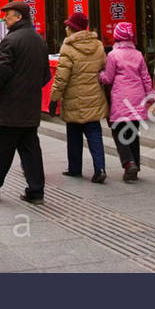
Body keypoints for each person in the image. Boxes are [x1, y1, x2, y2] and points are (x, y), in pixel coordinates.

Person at [0, 1, 50, 204]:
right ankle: (36, 190)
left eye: (8, 15)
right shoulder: (39, 40)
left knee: (3, 148)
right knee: (30, 148)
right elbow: (46, 75)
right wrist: (30, 88)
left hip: (10, 106)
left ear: (19, 17)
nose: (5, 18)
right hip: (30, 105)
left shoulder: (11, 40)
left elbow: (0, 72)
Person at [48, 11, 107, 183]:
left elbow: (61, 77)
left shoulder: (68, 48)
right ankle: (100, 168)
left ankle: (75, 168)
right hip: (94, 97)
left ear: (73, 29)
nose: (66, 28)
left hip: (74, 98)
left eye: (68, 25)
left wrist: (54, 98)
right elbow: (103, 67)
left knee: (74, 134)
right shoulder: (98, 45)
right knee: (94, 133)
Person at [99, 21, 155, 181]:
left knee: (119, 131)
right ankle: (135, 165)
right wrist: (150, 94)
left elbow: (108, 78)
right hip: (137, 97)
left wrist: (99, 76)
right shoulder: (138, 54)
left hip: (121, 98)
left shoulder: (113, 55)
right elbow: (145, 76)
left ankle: (129, 162)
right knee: (133, 132)